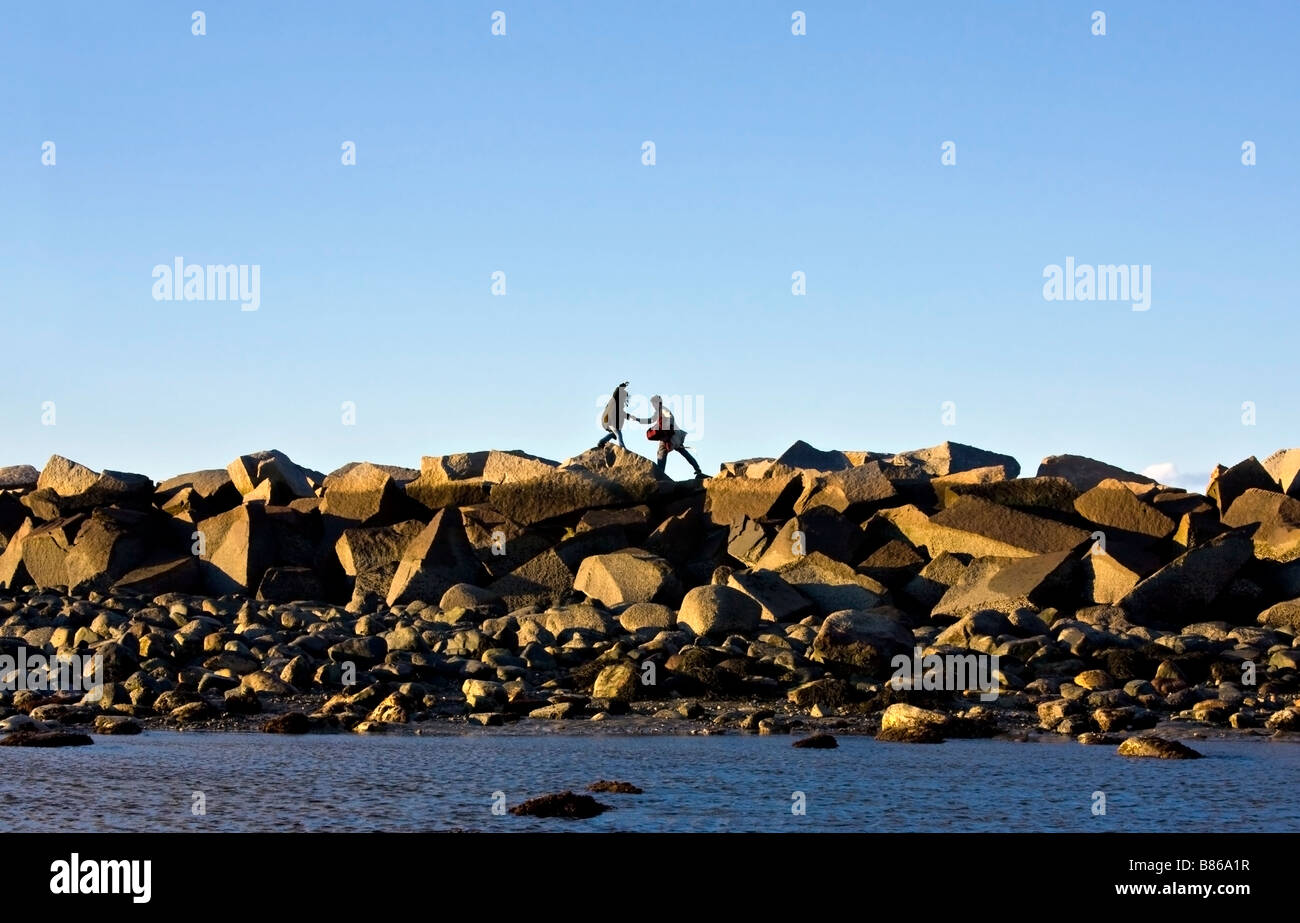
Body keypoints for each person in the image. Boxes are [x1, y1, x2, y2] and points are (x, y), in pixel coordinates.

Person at [646, 394, 704, 478]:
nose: (653, 406)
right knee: (684, 453)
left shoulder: (662, 410)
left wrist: (666, 430)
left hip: (668, 436)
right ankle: (697, 469)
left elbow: (669, 418)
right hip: (676, 436)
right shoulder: (661, 411)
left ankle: (660, 475)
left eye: (653, 404)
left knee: (661, 454)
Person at [596, 382, 651, 449]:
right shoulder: (615, 400)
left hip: (608, 421)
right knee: (618, 432)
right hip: (608, 420)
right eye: (625, 397)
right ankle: (622, 447)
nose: (626, 399)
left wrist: (635, 418)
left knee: (614, 433)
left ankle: (601, 442)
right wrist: (623, 386)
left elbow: (624, 414)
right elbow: (616, 392)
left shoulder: (620, 406)